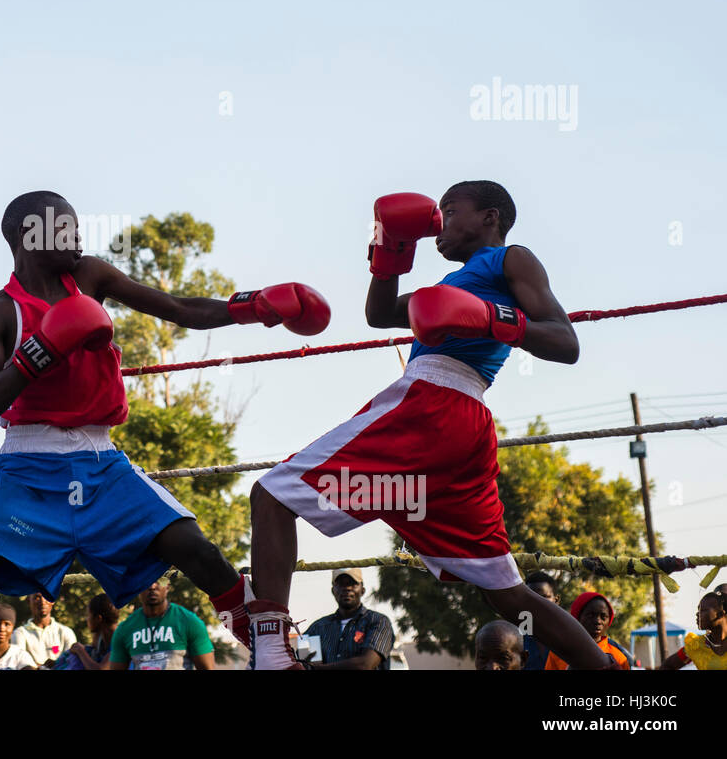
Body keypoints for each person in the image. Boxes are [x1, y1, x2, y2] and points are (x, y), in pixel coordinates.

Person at [0, 191, 330, 669]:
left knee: (198, 551)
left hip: (101, 463)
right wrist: (37, 354)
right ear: (29, 235)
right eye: (65, 227)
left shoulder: (90, 277)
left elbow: (176, 308)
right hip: (26, 472)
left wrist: (251, 308)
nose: (78, 236)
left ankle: (274, 653)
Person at [248, 182, 616, 669]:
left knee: (273, 495)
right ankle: (608, 673)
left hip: (434, 405)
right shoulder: (445, 288)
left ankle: (271, 655)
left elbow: (566, 343)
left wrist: (493, 318)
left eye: (450, 210)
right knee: (507, 594)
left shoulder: (511, 260)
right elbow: (380, 315)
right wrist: (389, 256)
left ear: (489, 217)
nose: (439, 223)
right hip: (461, 435)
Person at [109, 577, 214, 670]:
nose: (152, 586)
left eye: (158, 580)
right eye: (146, 580)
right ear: (137, 587)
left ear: (167, 586)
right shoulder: (124, 629)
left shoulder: (189, 622)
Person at [303, 568, 394, 669]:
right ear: (333, 591)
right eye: (341, 584)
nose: (347, 588)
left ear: (362, 590)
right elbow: (303, 662)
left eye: (352, 584)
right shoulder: (317, 628)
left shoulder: (378, 621)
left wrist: (319, 668)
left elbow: (365, 664)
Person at [544, 592, 633, 670]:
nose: (598, 621)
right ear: (577, 618)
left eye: (603, 617)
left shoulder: (619, 658)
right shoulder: (558, 653)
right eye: (590, 615)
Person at [657, 592, 727, 670]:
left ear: (720, 614)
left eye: (703, 610)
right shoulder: (696, 646)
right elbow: (668, 665)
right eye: (698, 610)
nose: (697, 614)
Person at [54, 593, 120, 670]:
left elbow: (100, 669)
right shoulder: (101, 639)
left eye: (88, 615)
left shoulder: (119, 641)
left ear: (98, 618)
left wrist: (80, 651)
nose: (87, 619)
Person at [11, 592, 77, 668]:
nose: (42, 601)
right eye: (37, 597)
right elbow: (20, 663)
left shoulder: (66, 632)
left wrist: (55, 664)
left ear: (53, 601)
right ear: (29, 601)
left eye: (46, 596)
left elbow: (70, 662)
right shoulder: (20, 633)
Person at [521, 571, 558, 670]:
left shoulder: (569, 637)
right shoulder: (516, 638)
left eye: (544, 597)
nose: (537, 602)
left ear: (556, 600)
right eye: (531, 597)